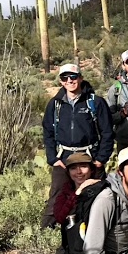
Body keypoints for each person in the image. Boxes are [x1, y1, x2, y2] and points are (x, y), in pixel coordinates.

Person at [40, 63, 113, 228]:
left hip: (90, 156)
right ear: (61, 81)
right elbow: (48, 132)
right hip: (64, 156)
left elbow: (107, 132)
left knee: (97, 195)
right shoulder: (55, 104)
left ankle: (99, 230)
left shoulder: (95, 102)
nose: (69, 80)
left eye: (73, 76)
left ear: (80, 78)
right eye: (65, 77)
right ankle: (47, 231)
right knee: (57, 195)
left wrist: (100, 159)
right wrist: (53, 158)